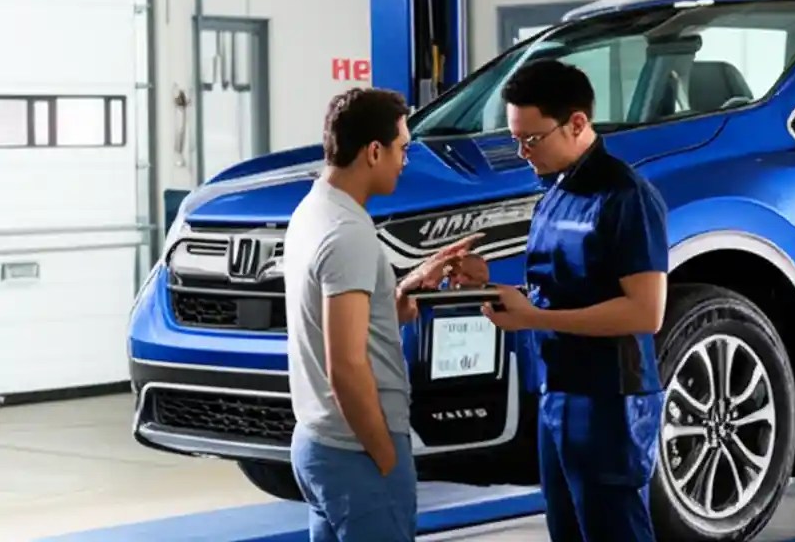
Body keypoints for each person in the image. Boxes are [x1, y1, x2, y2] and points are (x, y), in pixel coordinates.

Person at [480, 59, 670, 542]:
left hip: (609, 398)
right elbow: (561, 289)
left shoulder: (625, 196)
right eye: (515, 140)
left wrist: (535, 316)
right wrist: (491, 287)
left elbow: (646, 312)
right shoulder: (555, 192)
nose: (523, 153)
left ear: (578, 123)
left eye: (532, 139)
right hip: (558, 390)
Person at [284, 87, 481, 542]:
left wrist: (404, 288)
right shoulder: (348, 234)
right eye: (402, 148)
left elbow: (331, 317)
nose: (404, 160)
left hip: (318, 439)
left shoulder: (314, 211)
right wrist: (386, 455)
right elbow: (347, 366)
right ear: (374, 152)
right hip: (358, 451)